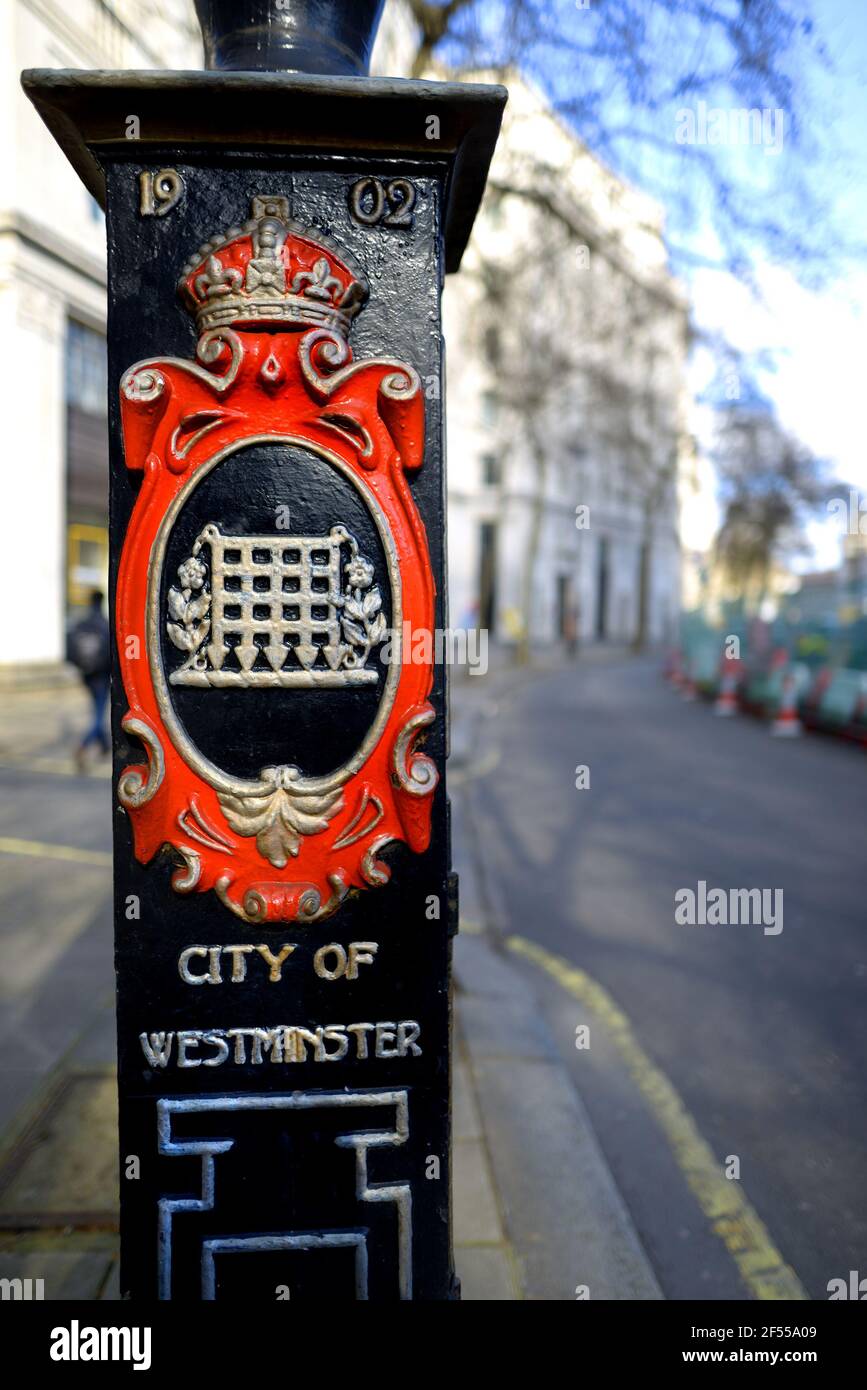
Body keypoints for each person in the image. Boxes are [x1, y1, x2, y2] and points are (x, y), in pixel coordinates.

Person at [68, 590, 111, 770]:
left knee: (97, 709)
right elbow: (111, 655)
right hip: (101, 676)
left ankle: (105, 746)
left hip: (86, 674)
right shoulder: (104, 624)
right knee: (99, 715)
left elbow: (70, 649)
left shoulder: (81, 623)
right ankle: (84, 746)